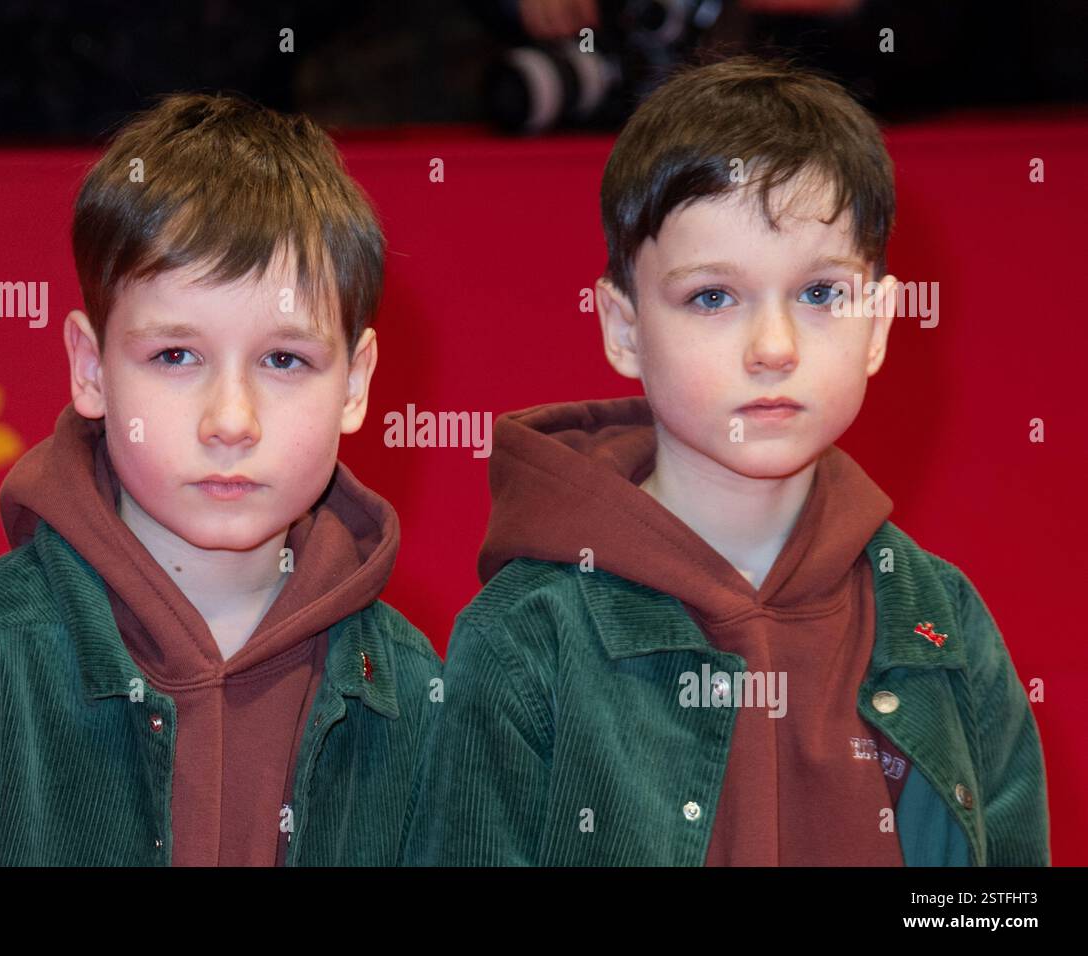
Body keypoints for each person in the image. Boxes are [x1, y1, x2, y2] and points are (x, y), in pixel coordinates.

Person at [403, 55, 1050, 866]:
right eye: (713, 297)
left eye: (820, 294)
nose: (774, 348)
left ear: (881, 324)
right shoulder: (526, 642)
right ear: (623, 326)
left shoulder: (942, 620)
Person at [0, 92, 440, 866]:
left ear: (357, 384)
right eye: (175, 356)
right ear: (91, 369)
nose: (231, 419)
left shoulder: (416, 694)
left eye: (284, 360)